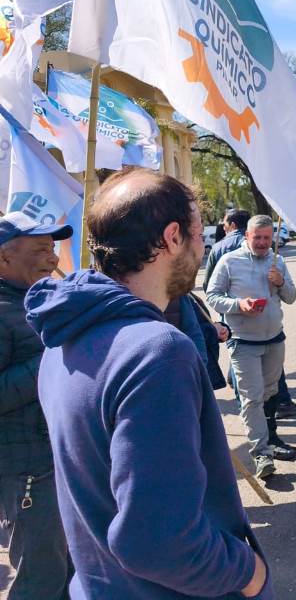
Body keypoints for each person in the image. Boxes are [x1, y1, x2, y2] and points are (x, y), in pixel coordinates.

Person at [26, 169, 268, 599]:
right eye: (198, 233)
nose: (202, 245)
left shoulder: (61, 336)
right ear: (172, 237)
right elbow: (158, 542)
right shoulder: (157, 352)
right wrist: (249, 573)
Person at [0, 213, 74, 600]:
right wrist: (52, 354)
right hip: (27, 471)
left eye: (53, 248)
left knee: (70, 573)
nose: (53, 259)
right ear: (4, 259)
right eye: (41, 249)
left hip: (58, 460)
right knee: (40, 578)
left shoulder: (38, 301)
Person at [207, 214, 296, 480]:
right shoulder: (229, 261)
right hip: (243, 341)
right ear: (246, 236)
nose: (261, 242)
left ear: (273, 238)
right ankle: (261, 454)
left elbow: (292, 297)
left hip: (274, 339)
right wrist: (239, 305)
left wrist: (280, 282)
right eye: (256, 237)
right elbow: (213, 295)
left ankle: (270, 439)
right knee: (251, 399)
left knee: (270, 393)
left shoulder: (277, 260)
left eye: (266, 238)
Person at [203, 208, 249, 290]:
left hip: (225, 299)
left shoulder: (218, 247)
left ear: (233, 225)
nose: (223, 228)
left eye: (224, 224)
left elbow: (208, 284)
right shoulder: (261, 245)